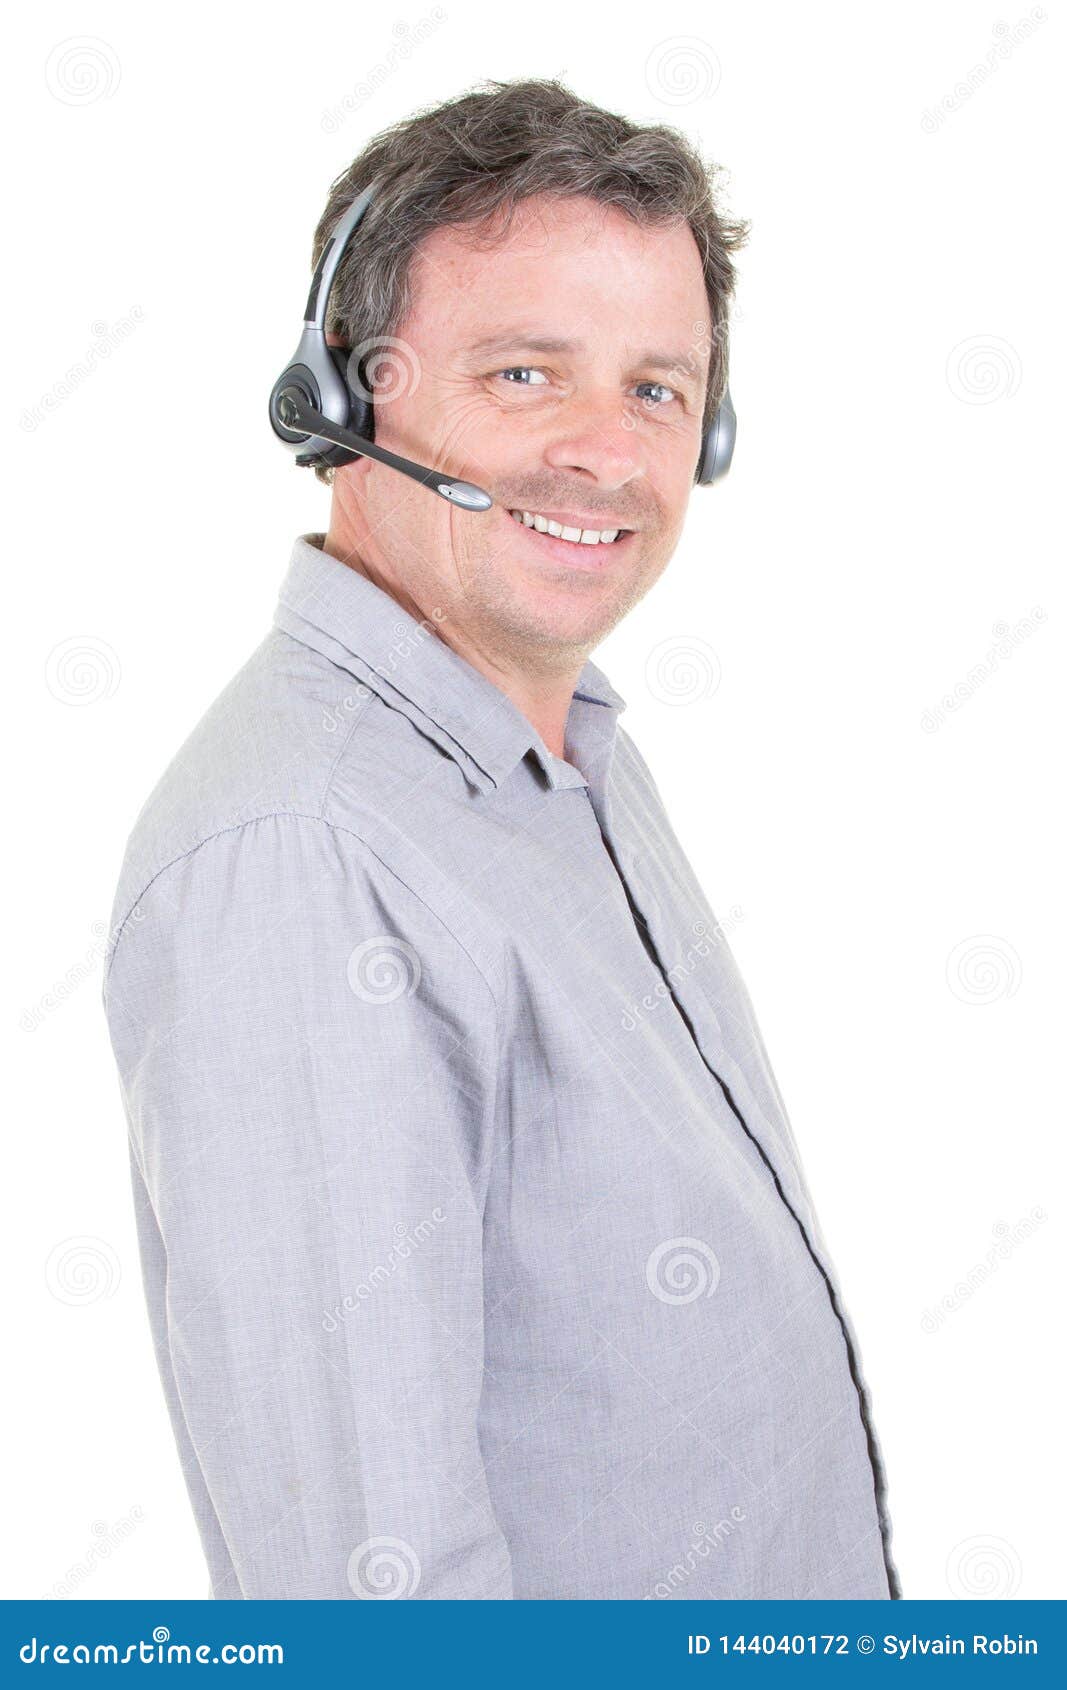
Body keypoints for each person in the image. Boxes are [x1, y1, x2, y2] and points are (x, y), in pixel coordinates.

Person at [102, 77, 901, 1601]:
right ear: (339, 400)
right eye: (526, 372)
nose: (605, 453)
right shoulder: (305, 855)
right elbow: (376, 1596)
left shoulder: (572, 744)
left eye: (657, 389)